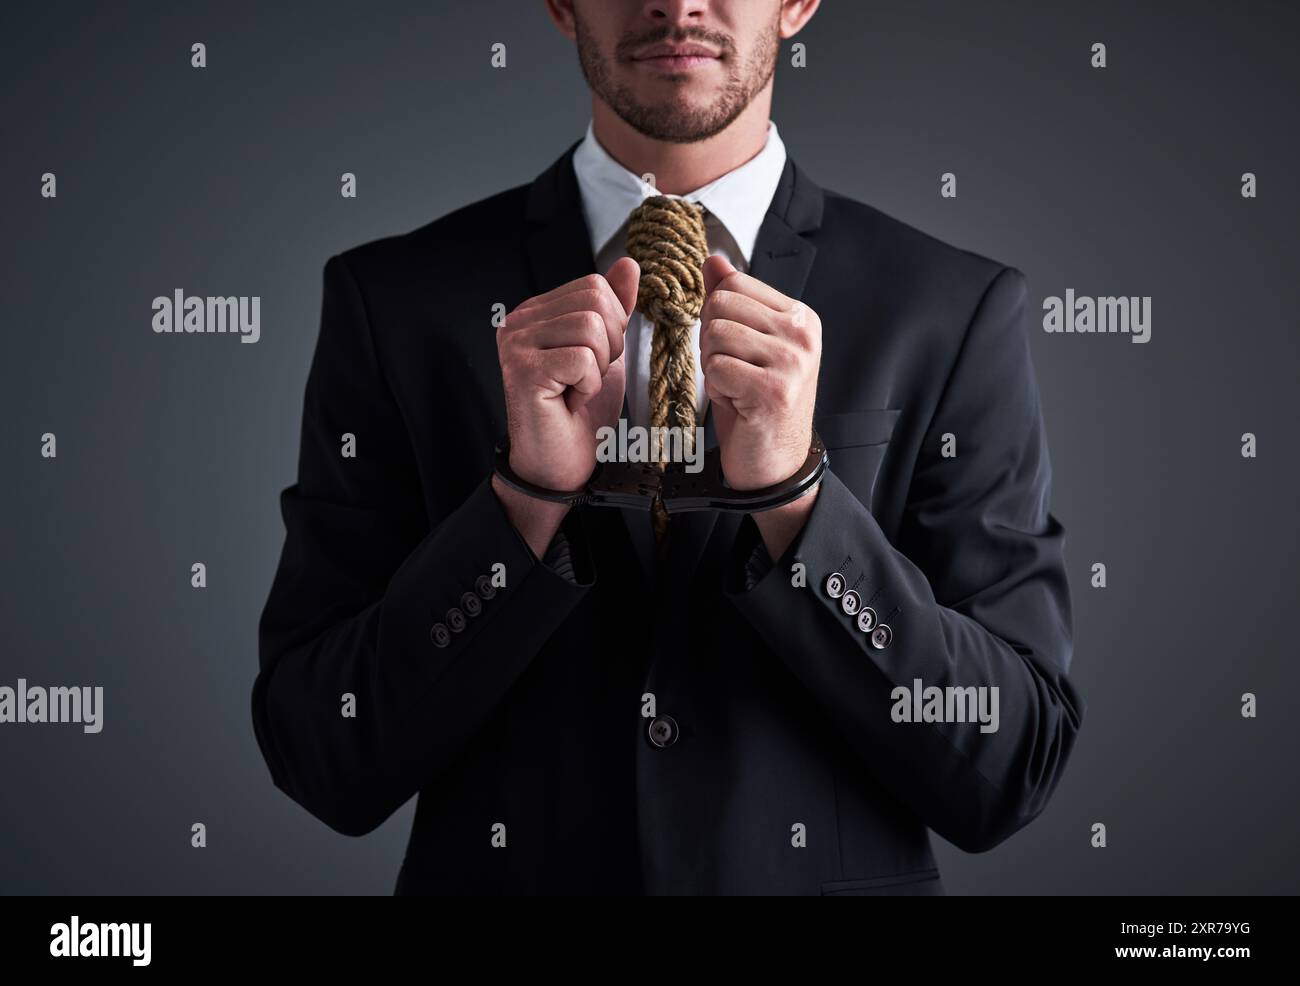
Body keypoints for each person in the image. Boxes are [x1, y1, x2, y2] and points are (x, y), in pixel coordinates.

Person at [252, 0, 1084, 896]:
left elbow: (1010, 767)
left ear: (798, 3)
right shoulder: (393, 304)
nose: (676, 2)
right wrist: (522, 505)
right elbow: (323, 753)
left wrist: (798, 506)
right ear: (562, 6)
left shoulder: (952, 310)